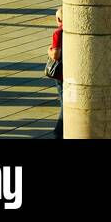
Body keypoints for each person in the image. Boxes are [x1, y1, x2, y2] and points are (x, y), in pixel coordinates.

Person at [48, 8, 64, 138]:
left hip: (61, 74)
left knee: (65, 104)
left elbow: (55, 55)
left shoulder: (59, 32)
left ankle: (59, 133)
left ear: (59, 19)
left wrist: (49, 51)